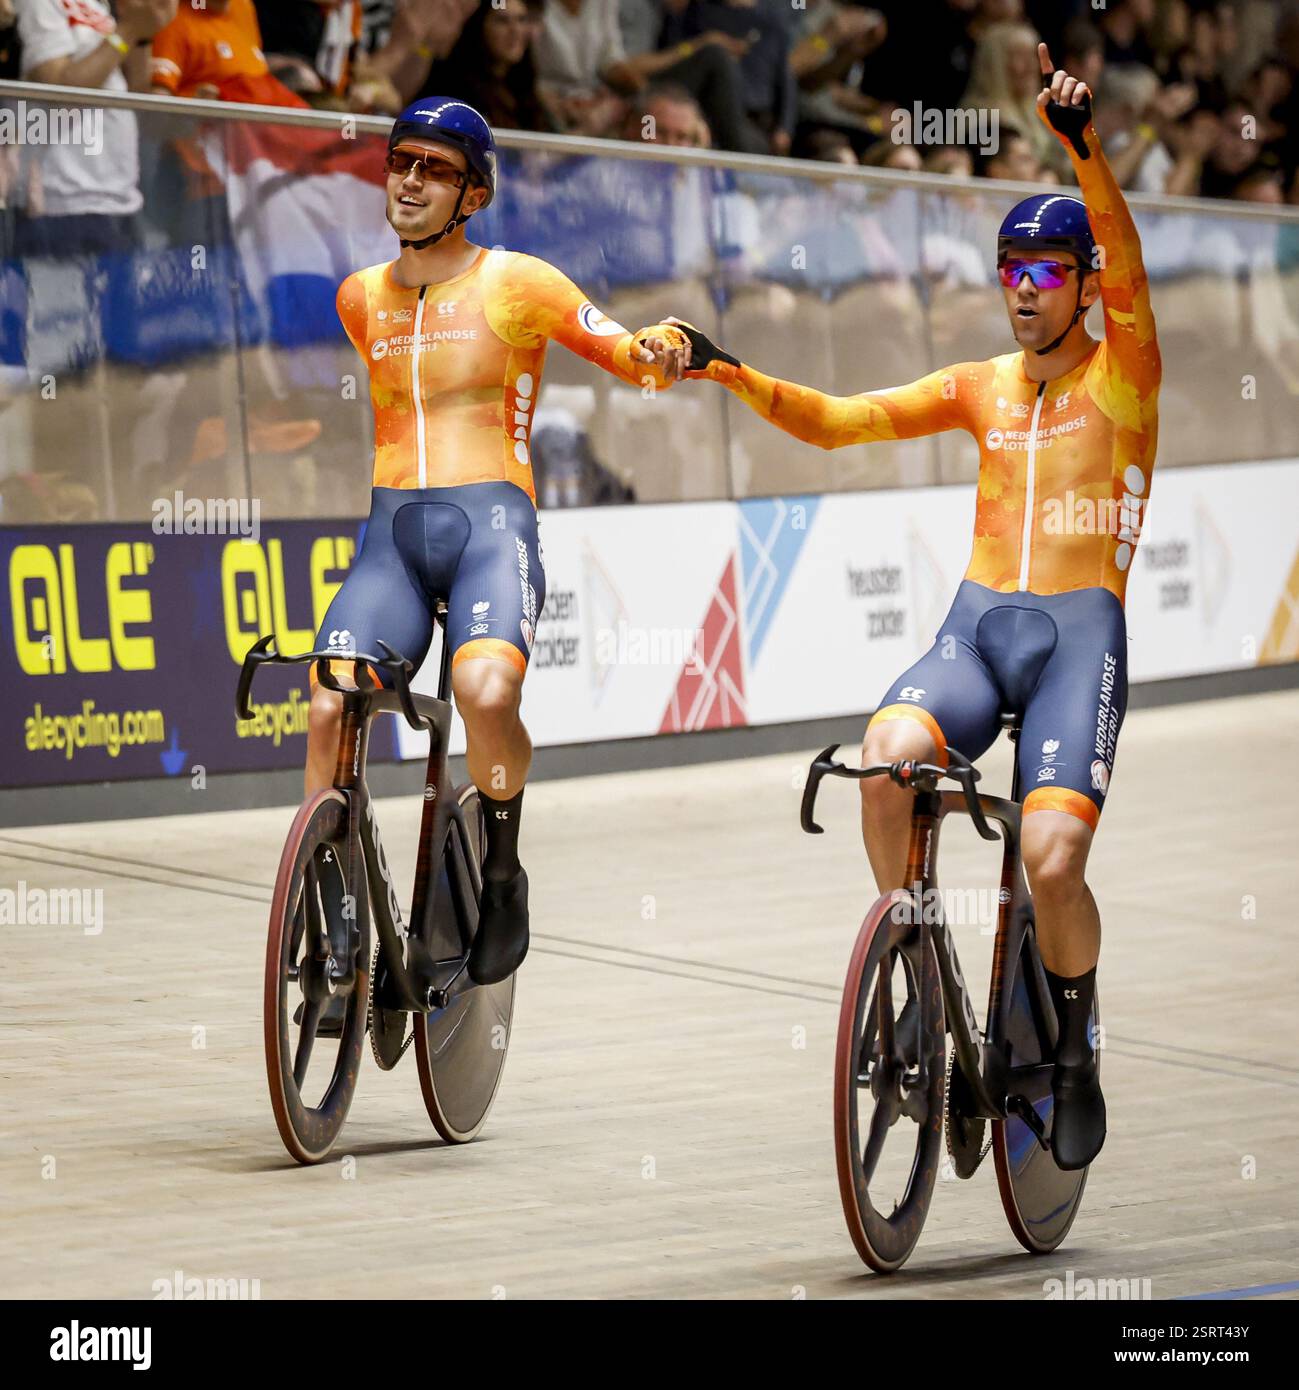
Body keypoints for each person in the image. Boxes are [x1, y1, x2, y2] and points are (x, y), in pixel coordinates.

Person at [649, 44, 1161, 1171]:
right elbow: (842, 422)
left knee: (1055, 859)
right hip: (978, 631)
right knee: (885, 757)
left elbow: (1126, 255)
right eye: (1008, 269)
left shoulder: (1124, 376)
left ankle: (1072, 1048)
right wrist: (730, 371)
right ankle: (921, 961)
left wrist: (1084, 153)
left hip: (1079, 638)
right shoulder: (981, 385)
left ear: (1081, 285)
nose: (1023, 289)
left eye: (1045, 271)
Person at [310, 98, 676, 989]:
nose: (406, 179)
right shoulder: (359, 297)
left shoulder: (519, 282)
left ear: (472, 192)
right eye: (400, 161)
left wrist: (659, 347)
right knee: (327, 702)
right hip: (391, 537)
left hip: (490, 528)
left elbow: (624, 353)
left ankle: (504, 868)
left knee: (482, 685)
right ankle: (333, 912)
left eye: (432, 169)